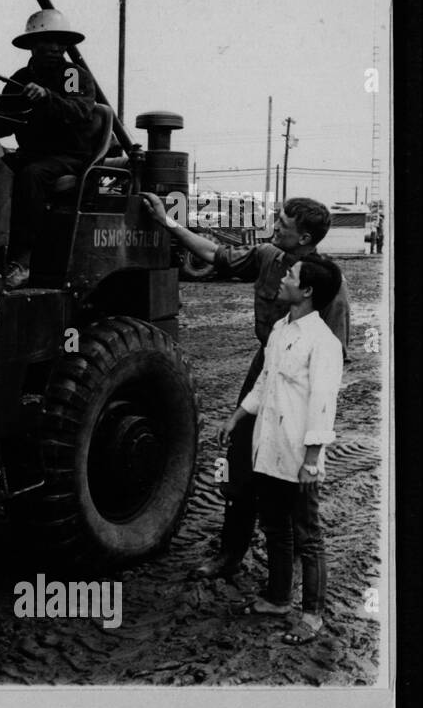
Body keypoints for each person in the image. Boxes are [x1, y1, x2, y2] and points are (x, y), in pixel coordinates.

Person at [140, 193, 351, 579]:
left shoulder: (327, 284)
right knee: (239, 457)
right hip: (267, 364)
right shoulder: (269, 257)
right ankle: (230, 554)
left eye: (283, 225)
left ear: (304, 238)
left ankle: (298, 555)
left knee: (291, 471)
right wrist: (168, 223)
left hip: (302, 382)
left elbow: (331, 362)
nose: (274, 227)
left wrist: (309, 432)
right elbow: (216, 254)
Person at [217, 255, 344, 643]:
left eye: (291, 274)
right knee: (275, 526)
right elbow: (263, 385)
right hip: (268, 450)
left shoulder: (323, 342)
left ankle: (313, 614)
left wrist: (310, 462)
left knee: (308, 535)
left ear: (306, 291)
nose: (284, 276)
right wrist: (236, 417)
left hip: (298, 456)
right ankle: (277, 598)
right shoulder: (279, 329)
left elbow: (323, 406)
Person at [0, 9, 97, 290]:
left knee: (32, 175)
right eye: (47, 41)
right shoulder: (19, 77)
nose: (55, 48)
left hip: (70, 156)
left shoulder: (72, 75)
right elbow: (3, 119)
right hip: (32, 154)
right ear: (32, 45)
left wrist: (46, 97)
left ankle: (23, 261)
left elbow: (79, 111)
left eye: (60, 42)